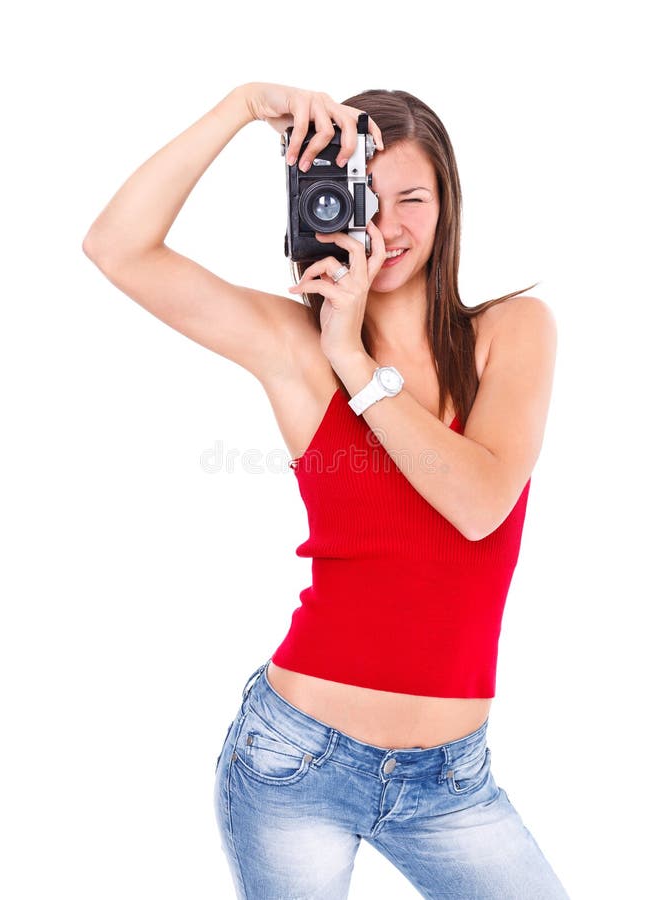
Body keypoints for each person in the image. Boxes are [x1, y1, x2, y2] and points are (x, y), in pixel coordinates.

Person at [83, 81, 570, 899]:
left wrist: (356, 361)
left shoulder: (513, 332)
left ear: (448, 203)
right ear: (321, 204)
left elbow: (480, 503)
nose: (386, 228)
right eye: (362, 199)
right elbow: (116, 248)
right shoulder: (292, 347)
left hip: (453, 782)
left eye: (411, 198)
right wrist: (241, 107)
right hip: (295, 762)